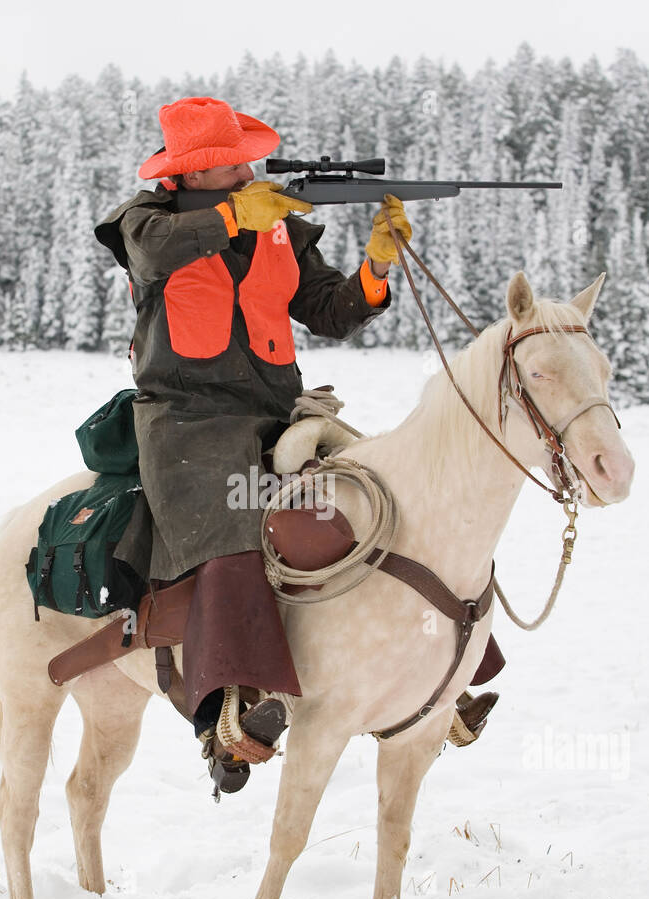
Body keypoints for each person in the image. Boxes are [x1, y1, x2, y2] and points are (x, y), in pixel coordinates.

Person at [94, 96, 413, 794]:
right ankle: (225, 715)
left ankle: (430, 678)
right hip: (186, 422)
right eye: (229, 164)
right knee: (237, 525)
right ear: (190, 176)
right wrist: (241, 215)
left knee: (381, 495)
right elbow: (153, 251)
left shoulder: (280, 231)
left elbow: (332, 310)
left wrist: (375, 271)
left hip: (275, 411)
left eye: (244, 159)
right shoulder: (145, 221)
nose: (246, 170)